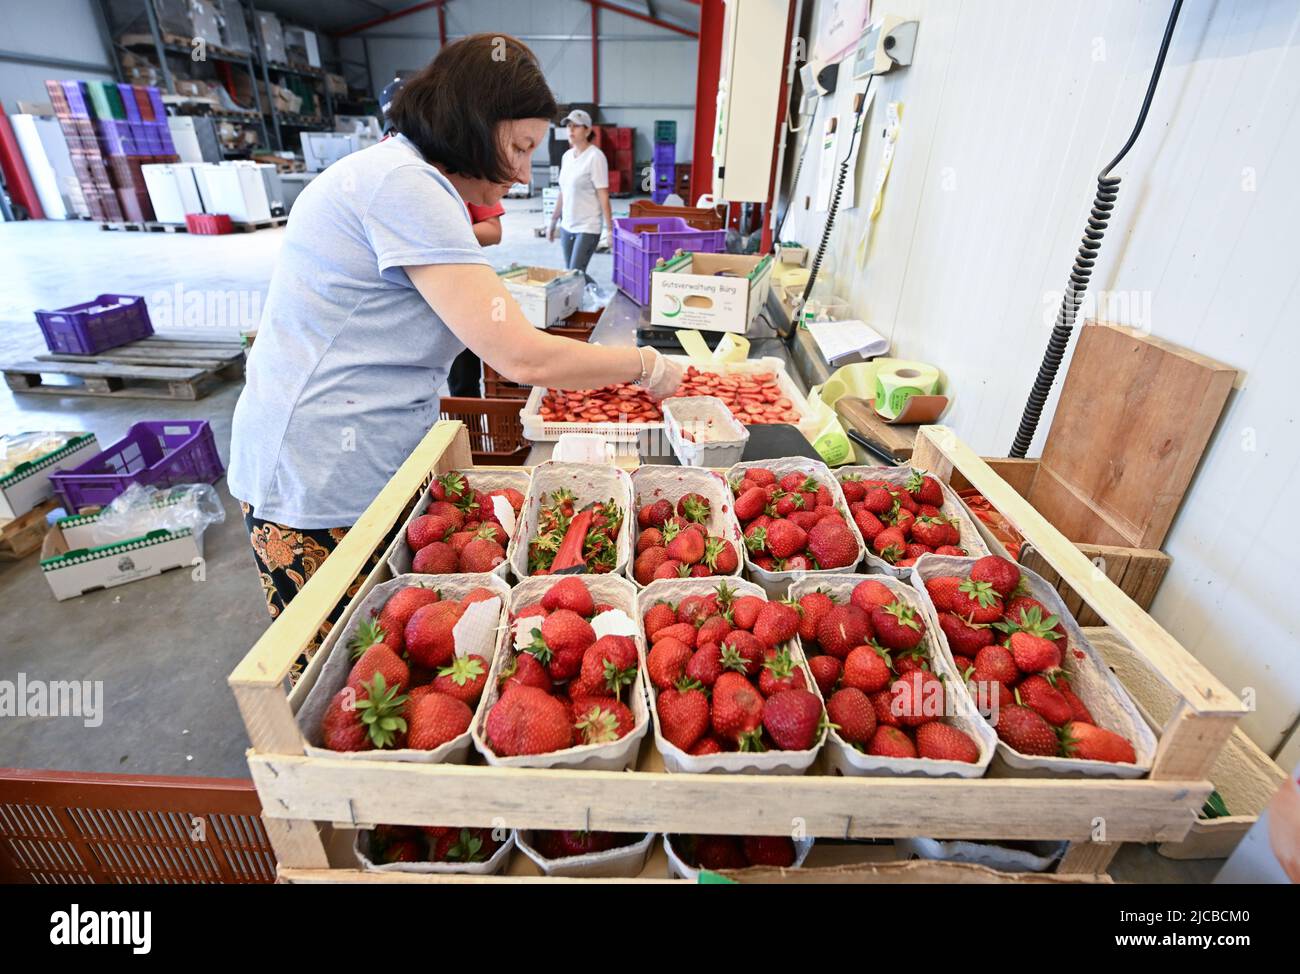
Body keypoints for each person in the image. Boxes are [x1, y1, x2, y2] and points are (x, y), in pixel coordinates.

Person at [228, 35, 682, 671]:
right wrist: (646, 366)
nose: (526, 172)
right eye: (521, 147)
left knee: (403, 654)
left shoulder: (408, 178)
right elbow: (522, 358)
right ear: (473, 121)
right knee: (355, 672)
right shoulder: (401, 185)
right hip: (323, 463)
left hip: (363, 447)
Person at [547, 109, 612, 276]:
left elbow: (603, 195)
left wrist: (610, 230)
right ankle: (589, 301)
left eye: (576, 126)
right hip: (567, 225)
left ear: (588, 130)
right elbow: (563, 191)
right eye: (569, 126)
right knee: (572, 275)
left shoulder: (595, 157)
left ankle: (601, 298)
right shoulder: (566, 157)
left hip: (587, 226)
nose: (570, 130)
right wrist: (553, 221)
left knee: (575, 273)